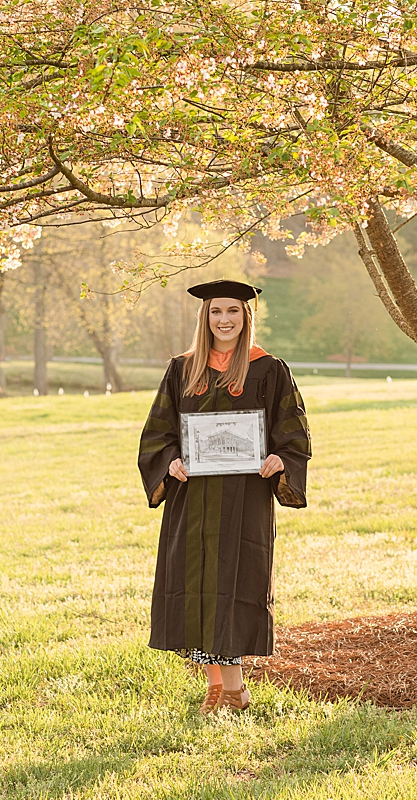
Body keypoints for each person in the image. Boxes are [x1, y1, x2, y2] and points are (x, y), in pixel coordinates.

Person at [138, 279, 312, 714]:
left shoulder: (268, 369)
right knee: (197, 585)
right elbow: (159, 432)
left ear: (246, 316)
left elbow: (293, 431)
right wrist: (171, 462)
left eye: (233, 311)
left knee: (232, 583)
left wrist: (280, 460)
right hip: (192, 497)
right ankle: (223, 689)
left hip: (244, 497)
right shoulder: (183, 368)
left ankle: (231, 691)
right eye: (216, 312)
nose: (224, 320)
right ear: (206, 317)